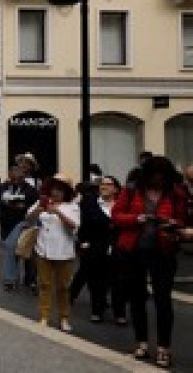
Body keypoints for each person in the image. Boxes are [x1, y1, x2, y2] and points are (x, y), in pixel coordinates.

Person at [112, 156, 187, 368]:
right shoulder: (131, 189)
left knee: (163, 300)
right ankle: (141, 342)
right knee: (137, 298)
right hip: (133, 250)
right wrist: (136, 219)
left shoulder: (175, 193)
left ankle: (164, 347)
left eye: (162, 176)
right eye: (155, 175)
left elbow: (182, 220)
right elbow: (116, 215)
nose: (158, 180)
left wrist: (171, 223)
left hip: (163, 251)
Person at [27, 174, 80, 332]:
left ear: (66, 192)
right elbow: (28, 219)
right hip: (43, 250)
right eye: (54, 189)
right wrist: (38, 209)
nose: (55, 192)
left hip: (64, 252)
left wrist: (57, 212)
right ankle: (44, 316)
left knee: (63, 287)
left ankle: (64, 318)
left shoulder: (72, 207)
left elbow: (74, 226)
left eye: (60, 190)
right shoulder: (43, 202)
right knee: (44, 284)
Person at [76, 175, 126, 324]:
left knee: (119, 282)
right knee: (96, 281)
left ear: (116, 189)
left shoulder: (121, 205)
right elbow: (83, 225)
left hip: (118, 248)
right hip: (96, 247)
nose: (104, 186)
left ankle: (120, 313)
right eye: (102, 184)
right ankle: (97, 311)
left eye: (108, 184)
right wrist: (83, 242)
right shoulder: (90, 204)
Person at [0, 161, 39, 290]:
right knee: (12, 251)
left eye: (19, 178)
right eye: (14, 178)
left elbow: (36, 205)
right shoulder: (3, 187)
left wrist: (24, 207)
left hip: (23, 223)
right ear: (10, 176)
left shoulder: (30, 190)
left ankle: (25, 279)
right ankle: (14, 278)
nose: (16, 180)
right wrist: (4, 203)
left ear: (23, 177)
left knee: (24, 250)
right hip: (6, 224)